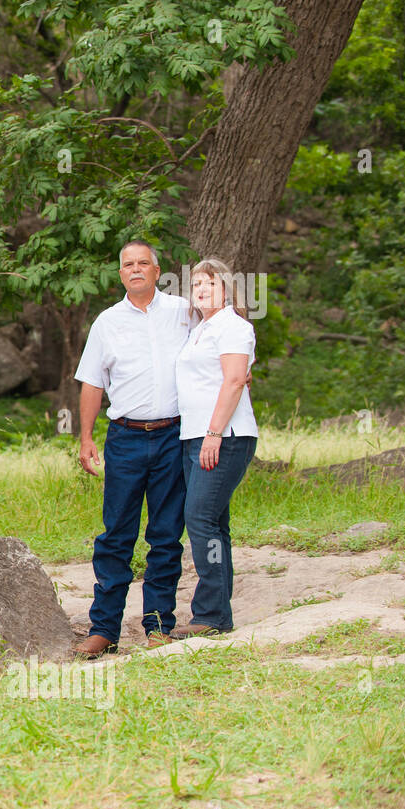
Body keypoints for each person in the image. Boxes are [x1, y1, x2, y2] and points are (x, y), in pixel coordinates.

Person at [72, 240, 192, 657]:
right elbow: (92, 382)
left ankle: (158, 625)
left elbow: (220, 344)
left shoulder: (183, 312)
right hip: (123, 437)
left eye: (144, 263)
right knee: (116, 534)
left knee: (165, 533)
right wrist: (86, 439)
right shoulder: (106, 322)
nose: (136, 269)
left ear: (158, 272)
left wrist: (241, 369)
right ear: (120, 274)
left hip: (173, 436)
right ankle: (104, 628)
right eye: (128, 265)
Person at [171, 258, 258, 638]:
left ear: (227, 290)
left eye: (211, 283)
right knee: (214, 524)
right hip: (194, 436)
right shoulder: (199, 330)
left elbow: (235, 379)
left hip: (225, 436)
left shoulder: (234, 327)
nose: (202, 290)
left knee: (200, 518)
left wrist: (214, 433)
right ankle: (218, 613)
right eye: (196, 285)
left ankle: (208, 615)